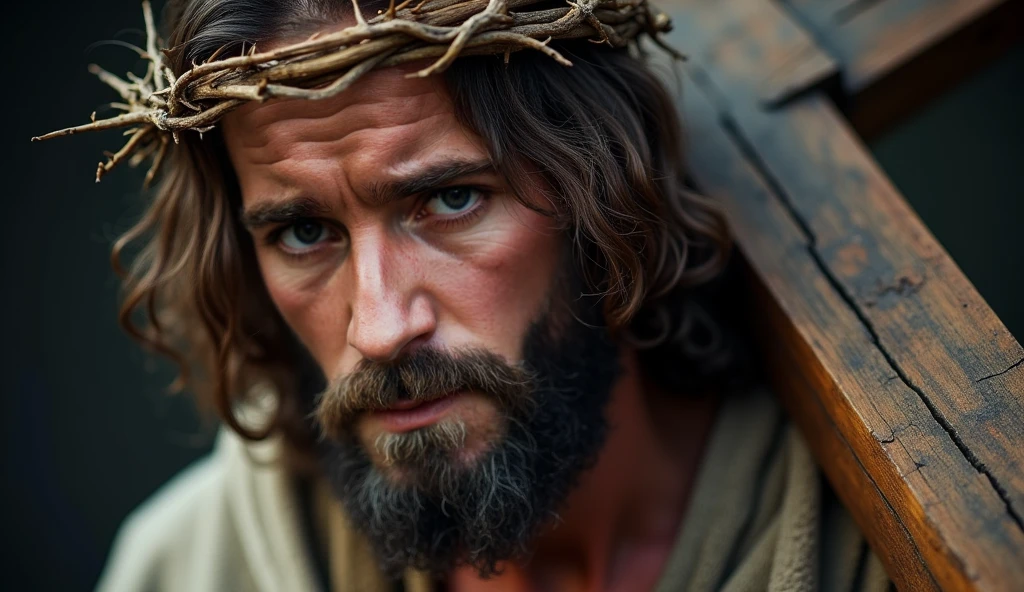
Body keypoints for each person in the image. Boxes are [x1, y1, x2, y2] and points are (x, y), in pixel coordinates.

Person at [40, 0, 890, 590]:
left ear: (604, 196)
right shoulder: (191, 568)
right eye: (303, 232)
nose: (379, 328)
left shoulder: (885, 542)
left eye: (450, 200)